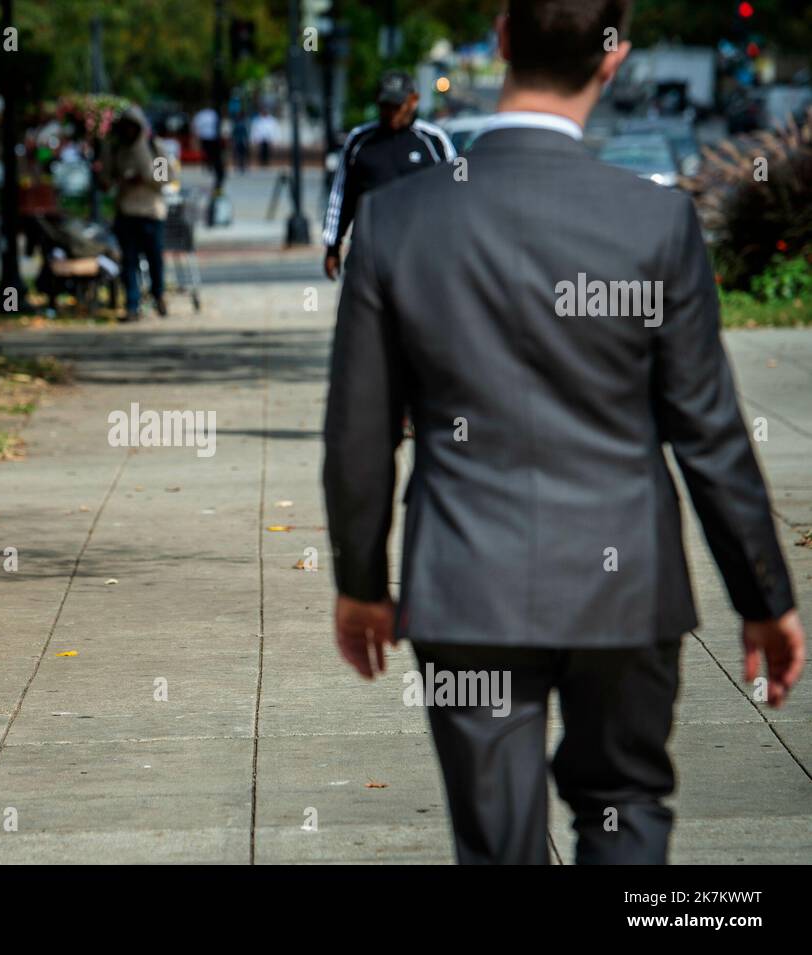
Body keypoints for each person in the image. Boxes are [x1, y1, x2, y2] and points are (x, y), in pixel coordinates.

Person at [323, 0, 804, 865]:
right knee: (623, 806)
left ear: (502, 37)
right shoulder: (656, 222)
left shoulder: (398, 223)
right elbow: (708, 430)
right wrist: (763, 595)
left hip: (465, 585)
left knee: (497, 842)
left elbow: (358, 429)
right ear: (611, 61)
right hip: (625, 589)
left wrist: (361, 580)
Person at [321, 71, 456, 280]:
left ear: (413, 101)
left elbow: (456, 193)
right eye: (385, 106)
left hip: (419, 252)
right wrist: (332, 245)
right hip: (369, 251)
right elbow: (341, 196)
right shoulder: (359, 141)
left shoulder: (434, 141)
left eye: (397, 106)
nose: (391, 112)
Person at [100, 106, 173, 320]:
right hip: (126, 212)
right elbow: (107, 179)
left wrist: (144, 177)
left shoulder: (153, 147)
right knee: (129, 261)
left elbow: (163, 179)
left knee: (155, 259)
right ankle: (132, 305)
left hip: (151, 212)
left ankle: (158, 295)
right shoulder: (116, 150)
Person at [192, 105, 226, 190]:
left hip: (210, 138)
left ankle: (211, 168)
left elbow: (196, 127)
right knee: (212, 157)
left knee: (212, 157)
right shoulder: (211, 114)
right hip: (209, 138)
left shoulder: (204, 114)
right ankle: (211, 168)